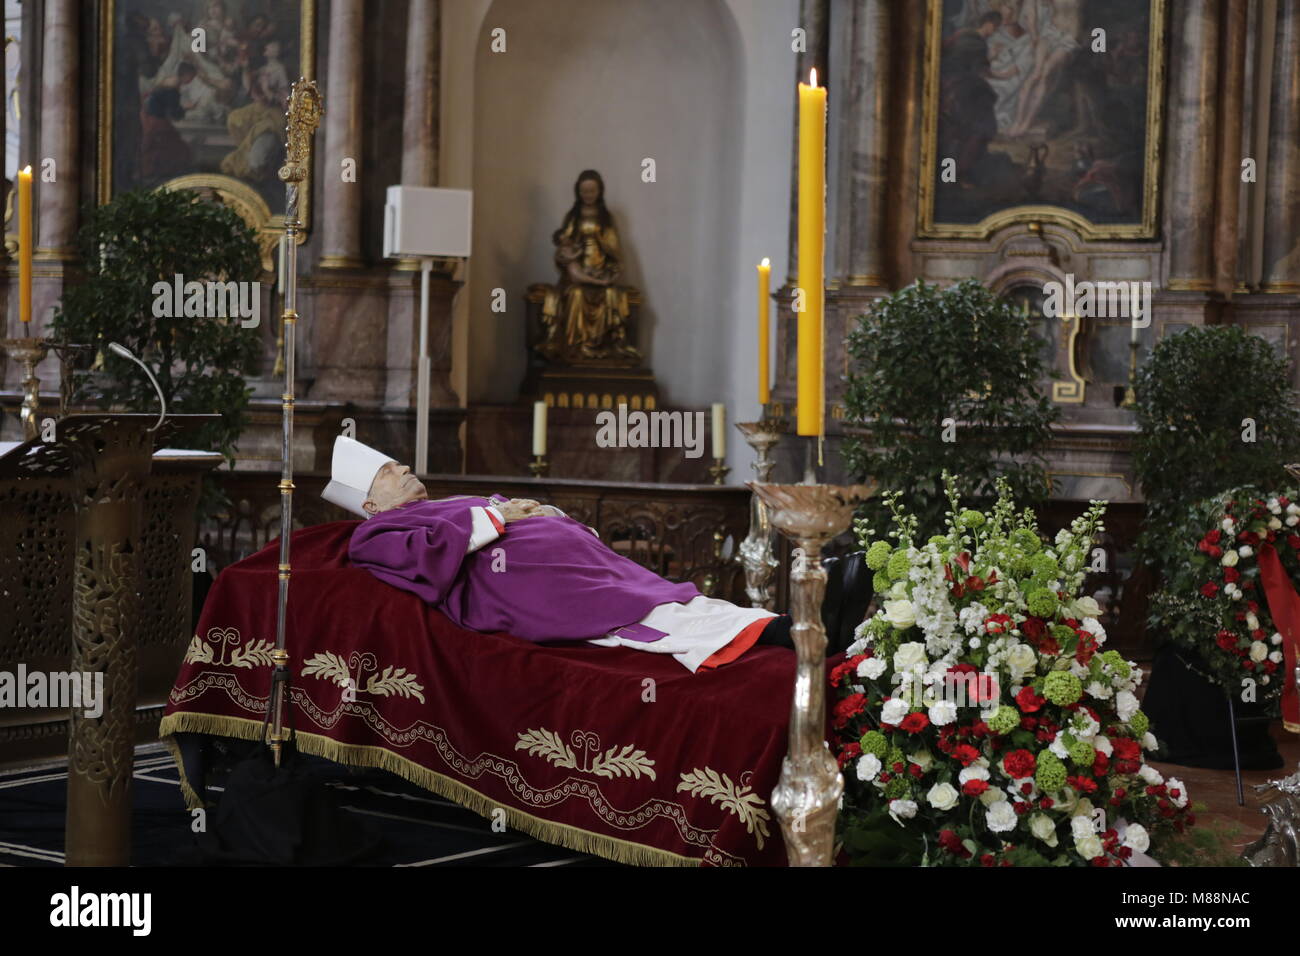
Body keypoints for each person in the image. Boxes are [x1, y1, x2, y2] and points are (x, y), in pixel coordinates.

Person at [323, 437, 797, 672]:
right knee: (649, 613)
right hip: (514, 588)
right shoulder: (374, 533)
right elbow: (426, 557)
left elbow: (504, 513)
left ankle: (786, 622)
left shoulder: (443, 502)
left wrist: (541, 512)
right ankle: (781, 632)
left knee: (666, 595)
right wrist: (504, 515)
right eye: (388, 471)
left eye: (397, 462)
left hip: (572, 561)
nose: (404, 467)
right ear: (369, 504)